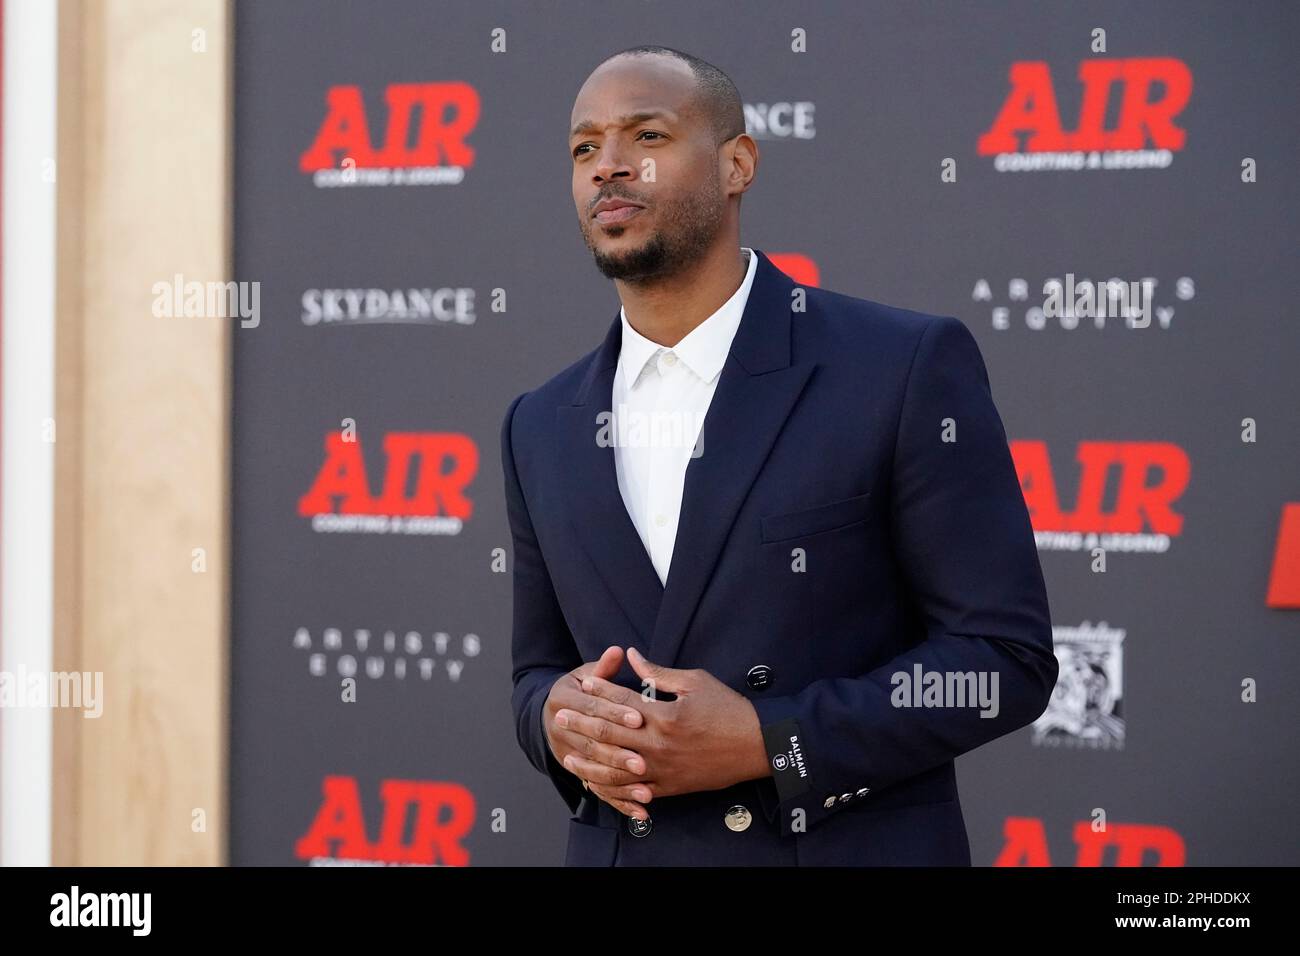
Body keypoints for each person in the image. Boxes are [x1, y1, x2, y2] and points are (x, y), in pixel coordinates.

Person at [502, 45, 1057, 866]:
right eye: (585, 147)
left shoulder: (898, 368)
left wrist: (774, 741)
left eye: (647, 136)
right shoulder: (539, 425)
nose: (609, 165)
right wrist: (556, 723)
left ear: (737, 164)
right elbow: (536, 675)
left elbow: (1003, 661)